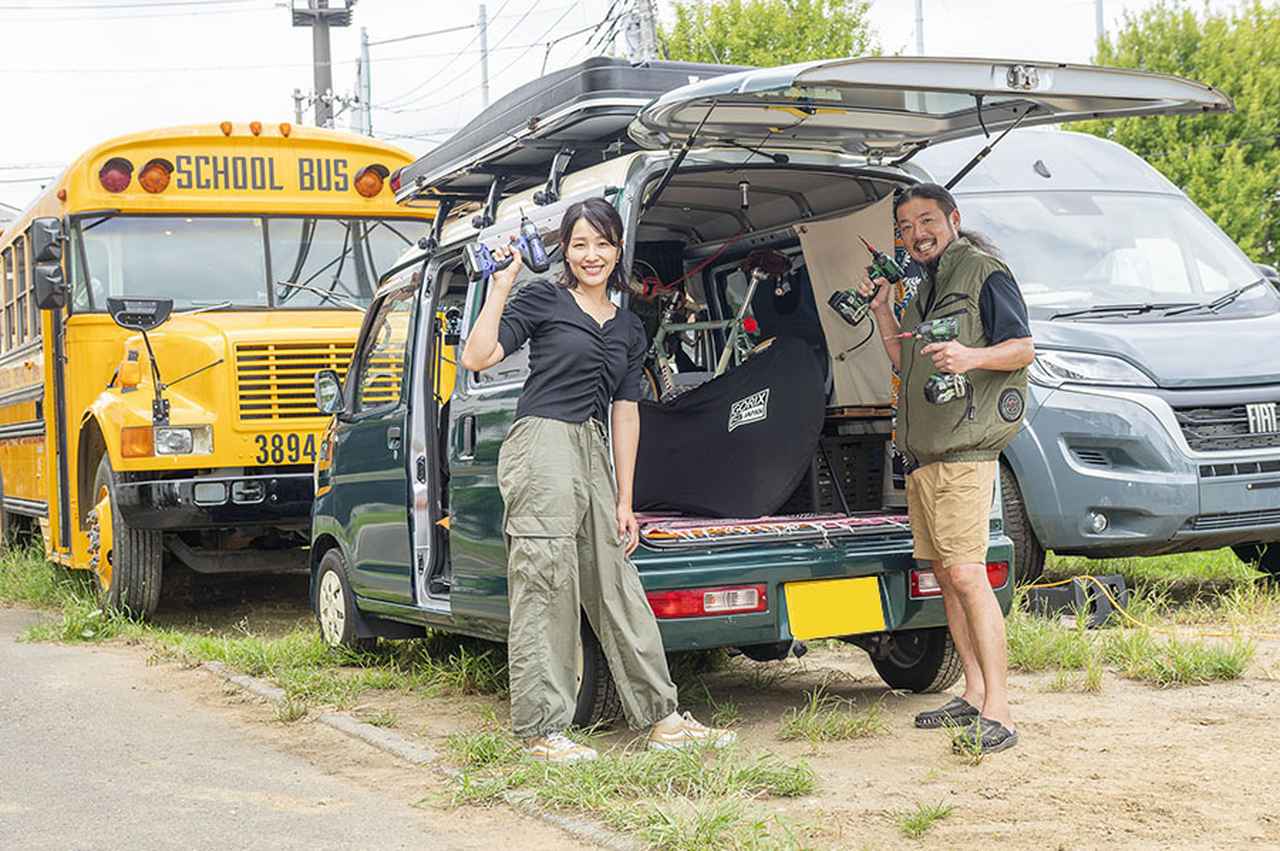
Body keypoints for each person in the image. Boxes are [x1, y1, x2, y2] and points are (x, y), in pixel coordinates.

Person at [460, 197, 735, 763]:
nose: (592, 255)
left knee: (617, 585)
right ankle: (542, 732)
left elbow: (626, 412)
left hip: (593, 450)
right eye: (580, 244)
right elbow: (478, 357)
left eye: (603, 244)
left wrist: (625, 499)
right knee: (547, 583)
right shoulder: (543, 298)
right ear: (564, 250)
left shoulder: (628, 326)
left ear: (618, 249)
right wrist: (500, 287)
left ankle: (662, 719)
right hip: (542, 443)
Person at [858, 183, 1034, 753]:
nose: (917, 234)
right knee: (946, 578)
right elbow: (902, 359)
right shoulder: (922, 286)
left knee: (966, 575)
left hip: (964, 454)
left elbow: (1022, 348)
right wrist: (882, 310)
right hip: (925, 458)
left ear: (953, 219)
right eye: (906, 228)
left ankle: (1000, 711)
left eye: (927, 221)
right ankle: (973, 692)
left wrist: (971, 356)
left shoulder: (983, 271)